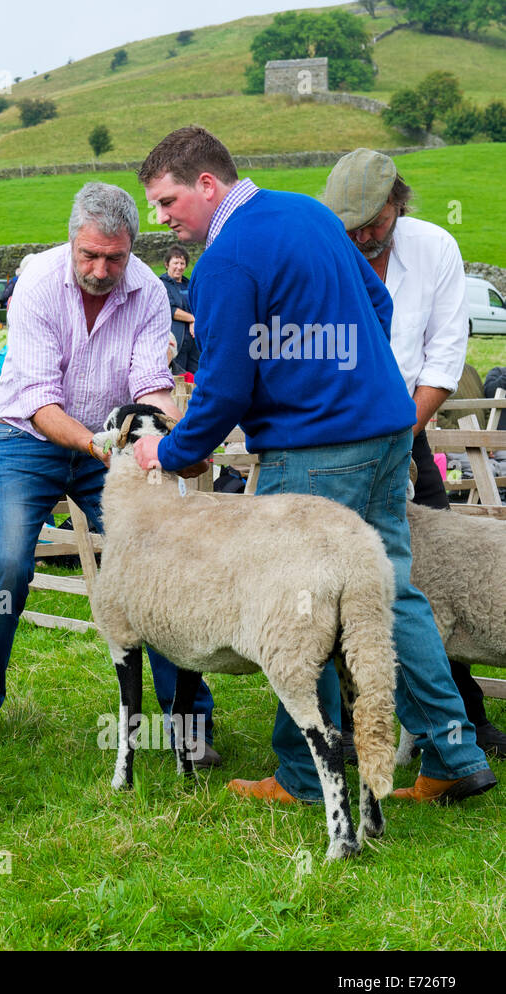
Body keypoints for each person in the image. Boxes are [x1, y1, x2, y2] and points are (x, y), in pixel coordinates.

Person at [135, 124, 495, 805]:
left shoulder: (226, 261)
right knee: (392, 589)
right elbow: (379, 304)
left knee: (302, 607)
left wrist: (174, 452)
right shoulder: (306, 211)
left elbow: (224, 386)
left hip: (317, 452)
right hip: (390, 432)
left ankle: (303, 776)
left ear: (207, 184)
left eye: (167, 200)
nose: (164, 218)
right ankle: (454, 754)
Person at [0, 183, 216, 758]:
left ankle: (186, 721)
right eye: (89, 255)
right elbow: (40, 401)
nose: (100, 269)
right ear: (72, 240)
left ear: (131, 249)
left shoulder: (147, 292)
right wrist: (102, 446)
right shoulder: (38, 284)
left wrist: (177, 433)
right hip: (29, 435)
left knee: (154, 557)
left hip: (110, 443)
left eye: (114, 258)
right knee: (10, 561)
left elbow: (150, 385)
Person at [322, 148, 506, 758]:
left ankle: (461, 726)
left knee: (427, 574)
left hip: (408, 424)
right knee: (335, 579)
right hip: (339, 436)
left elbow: (446, 353)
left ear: (399, 202)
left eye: (374, 223)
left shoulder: (434, 249)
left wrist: (406, 436)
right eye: (353, 226)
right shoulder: (330, 250)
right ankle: (346, 722)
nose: (364, 236)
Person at [160, 245, 199, 375]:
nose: (179, 266)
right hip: (176, 341)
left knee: (195, 377)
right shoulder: (161, 284)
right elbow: (170, 310)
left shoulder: (189, 285)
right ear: (167, 264)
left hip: (194, 340)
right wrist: (193, 319)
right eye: (175, 262)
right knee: (178, 378)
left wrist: (195, 321)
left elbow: (198, 306)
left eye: (182, 263)